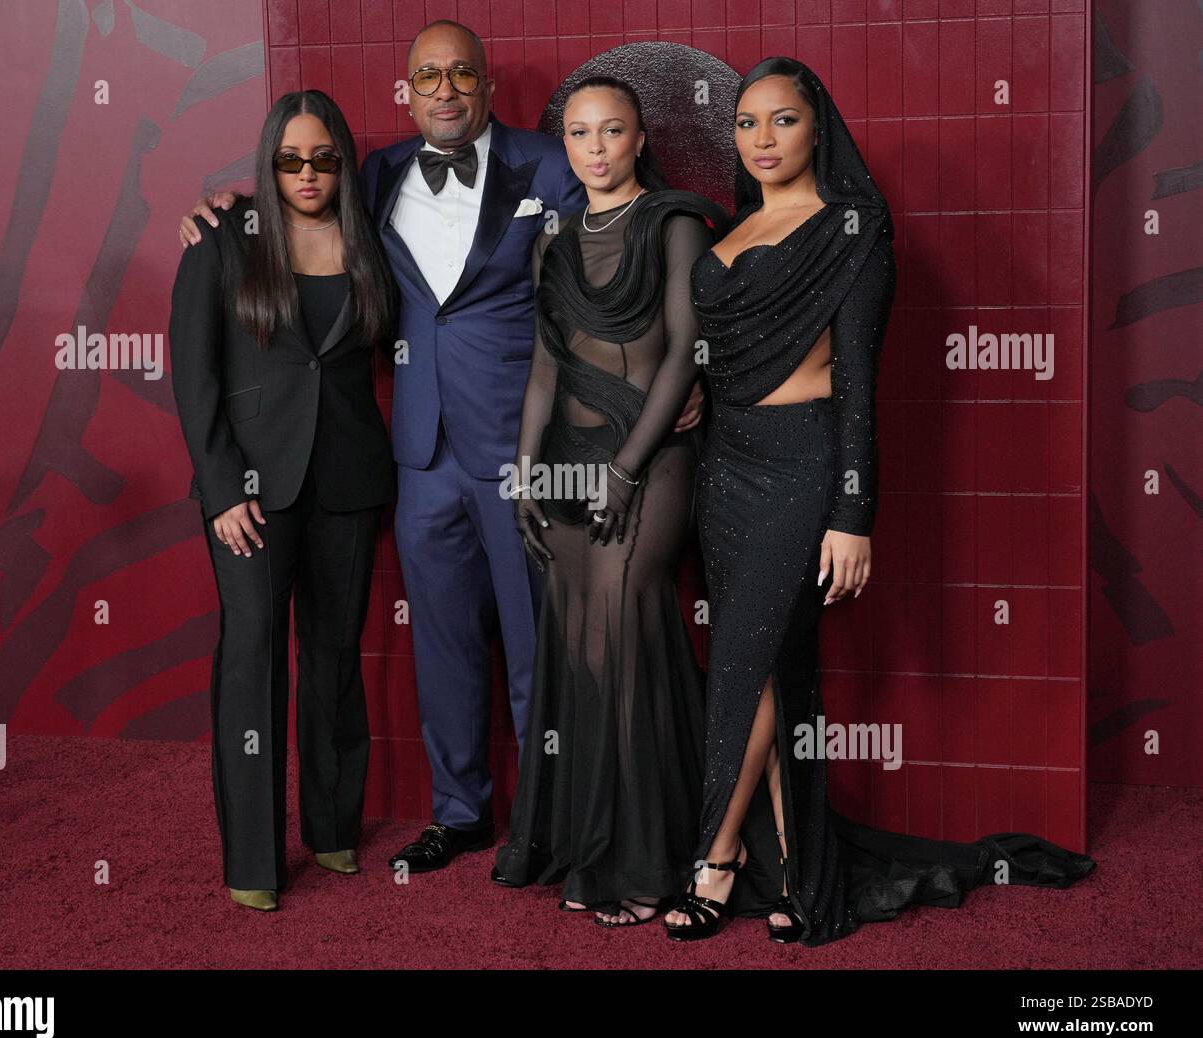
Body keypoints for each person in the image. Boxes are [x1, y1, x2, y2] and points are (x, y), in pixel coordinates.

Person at [179, 22, 706, 875]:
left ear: (489, 86)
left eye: (463, 72)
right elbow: (293, 195)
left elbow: (636, 242)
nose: (446, 88)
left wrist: (691, 372)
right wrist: (224, 212)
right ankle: (460, 811)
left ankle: (552, 820)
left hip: (528, 446)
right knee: (444, 644)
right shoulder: (375, 173)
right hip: (419, 453)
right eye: (428, 75)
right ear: (408, 91)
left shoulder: (551, 159)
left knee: (543, 641)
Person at [664, 57, 1096, 944]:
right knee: (771, 668)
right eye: (746, 124)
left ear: (818, 126)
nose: (762, 140)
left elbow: (860, 385)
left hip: (802, 469)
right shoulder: (732, 231)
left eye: (781, 120)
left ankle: (714, 859)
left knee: (742, 670)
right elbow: (707, 354)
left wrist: (851, 513)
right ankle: (794, 865)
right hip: (723, 468)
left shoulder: (853, 229)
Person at [489, 78, 727, 926]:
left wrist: (628, 468)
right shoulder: (552, 243)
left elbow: (684, 353)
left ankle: (652, 861)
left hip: (652, 455)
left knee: (625, 628)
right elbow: (546, 369)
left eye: (611, 131)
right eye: (580, 133)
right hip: (565, 464)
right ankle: (591, 844)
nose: (594, 148)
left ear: (637, 140)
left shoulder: (676, 222)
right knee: (584, 654)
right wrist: (523, 472)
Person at [169, 89, 398, 911]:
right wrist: (223, 489)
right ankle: (255, 862)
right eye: (291, 159)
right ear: (268, 163)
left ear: (342, 161)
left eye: (324, 158)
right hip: (250, 496)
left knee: (335, 658)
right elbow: (193, 377)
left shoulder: (370, 241)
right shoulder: (222, 238)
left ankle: (334, 829)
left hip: (348, 483)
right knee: (253, 659)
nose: (308, 173)